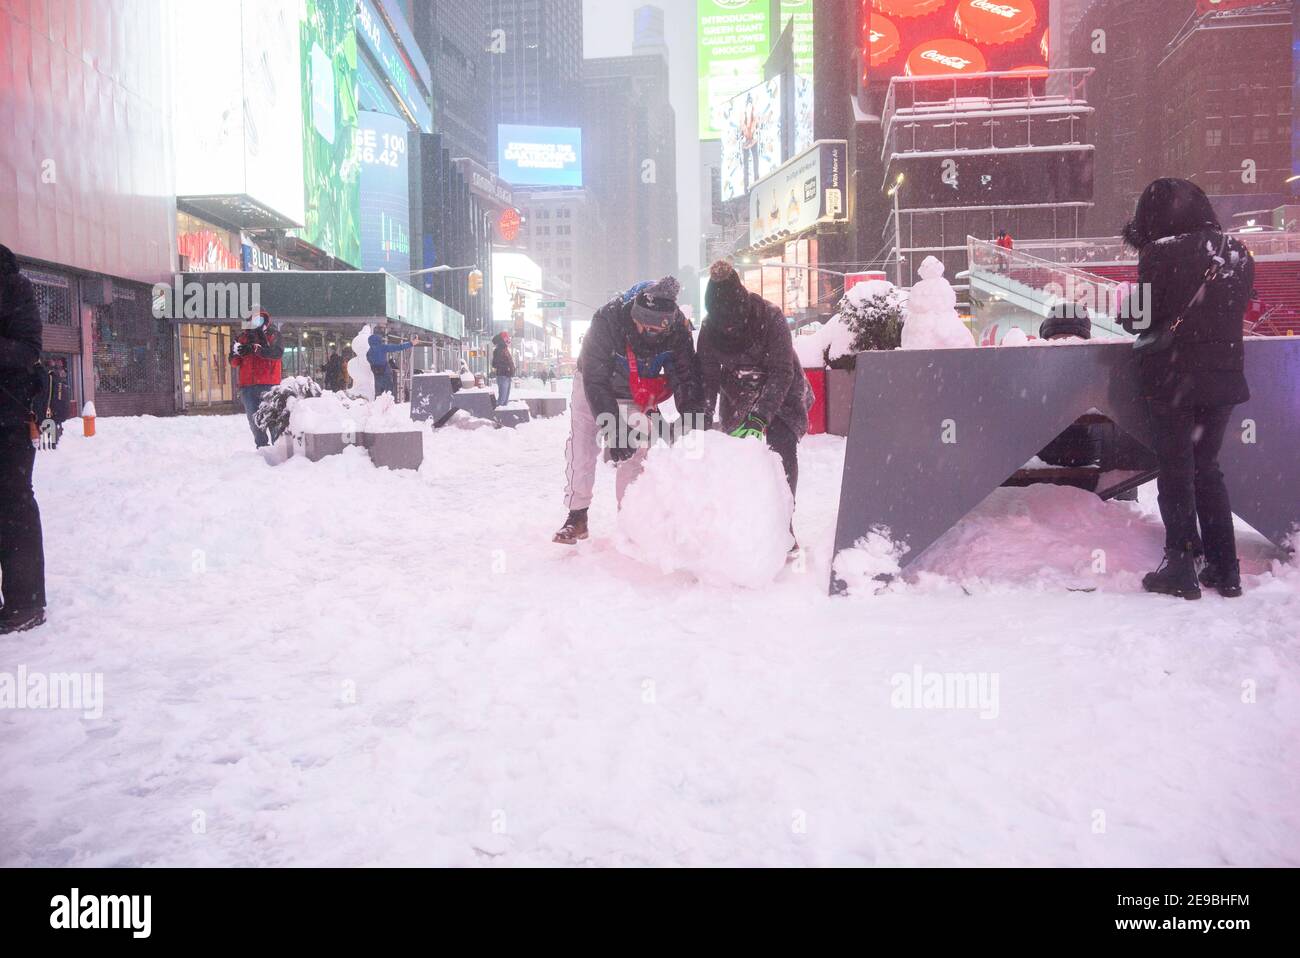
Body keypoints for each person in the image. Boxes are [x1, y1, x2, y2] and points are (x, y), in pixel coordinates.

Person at [1119, 177, 1254, 600]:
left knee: (1177, 470)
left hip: (1173, 379)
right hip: (1224, 379)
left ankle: (1181, 566)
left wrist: (1128, 306)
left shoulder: (1160, 253)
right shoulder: (1237, 252)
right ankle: (1225, 568)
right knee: (1208, 467)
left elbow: (1140, 318)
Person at [553, 276, 704, 544]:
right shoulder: (607, 320)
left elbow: (685, 375)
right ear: (634, 315)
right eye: (644, 327)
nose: (650, 334)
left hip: (634, 389)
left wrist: (693, 417)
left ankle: (631, 521)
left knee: (637, 449)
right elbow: (595, 381)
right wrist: (613, 428)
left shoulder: (678, 329)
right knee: (583, 445)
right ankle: (576, 515)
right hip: (591, 382)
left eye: (657, 330)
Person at [698, 260, 811, 550]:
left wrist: (760, 418)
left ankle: (784, 527)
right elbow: (708, 380)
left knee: (780, 450)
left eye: (734, 322)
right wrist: (702, 419)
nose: (730, 329)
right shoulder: (710, 330)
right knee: (738, 459)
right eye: (724, 324)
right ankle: (744, 525)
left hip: (781, 394)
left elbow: (782, 372)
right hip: (737, 395)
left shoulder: (770, 317)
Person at [0, 243, 47, 633]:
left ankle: (25, 603)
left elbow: (28, 348)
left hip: (7, 416)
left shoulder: (13, 285)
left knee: (12, 504)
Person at [228, 309, 284, 449]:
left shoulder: (273, 335)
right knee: (255, 422)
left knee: (273, 420)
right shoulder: (242, 338)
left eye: (259, 319)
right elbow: (234, 362)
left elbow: (277, 353)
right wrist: (238, 353)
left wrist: (257, 349)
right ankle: (262, 449)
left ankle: (279, 449)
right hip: (248, 387)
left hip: (269, 386)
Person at [367, 327, 413, 398]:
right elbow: (399, 347)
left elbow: (369, 360)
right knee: (389, 392)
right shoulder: (383, 347)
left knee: (379, 394)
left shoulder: (369, 352)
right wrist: (411, 343)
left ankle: (378, 407)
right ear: (379, 340)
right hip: (386, 373)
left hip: (376, 375)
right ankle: (390, 406)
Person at [491, 331, 516, 406]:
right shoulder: (499, 350)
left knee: (505, 399)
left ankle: (502, 414)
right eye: (506, 338)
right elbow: (495, 364)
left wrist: (510, 369)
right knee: (502, 398)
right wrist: (507, 368)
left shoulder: (504, 349)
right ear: (502, 339)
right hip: (503, 376)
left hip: (506, 376)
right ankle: (497, 414)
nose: (508, 340)